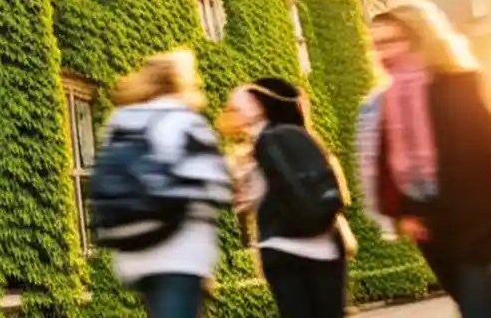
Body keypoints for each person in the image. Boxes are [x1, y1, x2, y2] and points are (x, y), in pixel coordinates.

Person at [356, 0, 491, 318]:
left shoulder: (457, 85)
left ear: (419, 38)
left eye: (392, 41)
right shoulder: (382, 104)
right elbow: (382, 171)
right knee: (473, 303)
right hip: (433, 233)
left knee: (480, 306)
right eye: (377, 45)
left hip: (477, 223)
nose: (384, 52)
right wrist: (405, 213)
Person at [96, 48, 232, 318]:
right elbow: (215, 186)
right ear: (181, 82)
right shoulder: (185, 121)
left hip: (134, 252)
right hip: (180, 253)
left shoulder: (120, 120)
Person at [219, 78, 354, 318]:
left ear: (258, 107)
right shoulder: (301, 135)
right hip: (323, 243)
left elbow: (245, 204)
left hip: (281, 248)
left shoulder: (260, 145)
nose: (231, 113)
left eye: (237, 107)